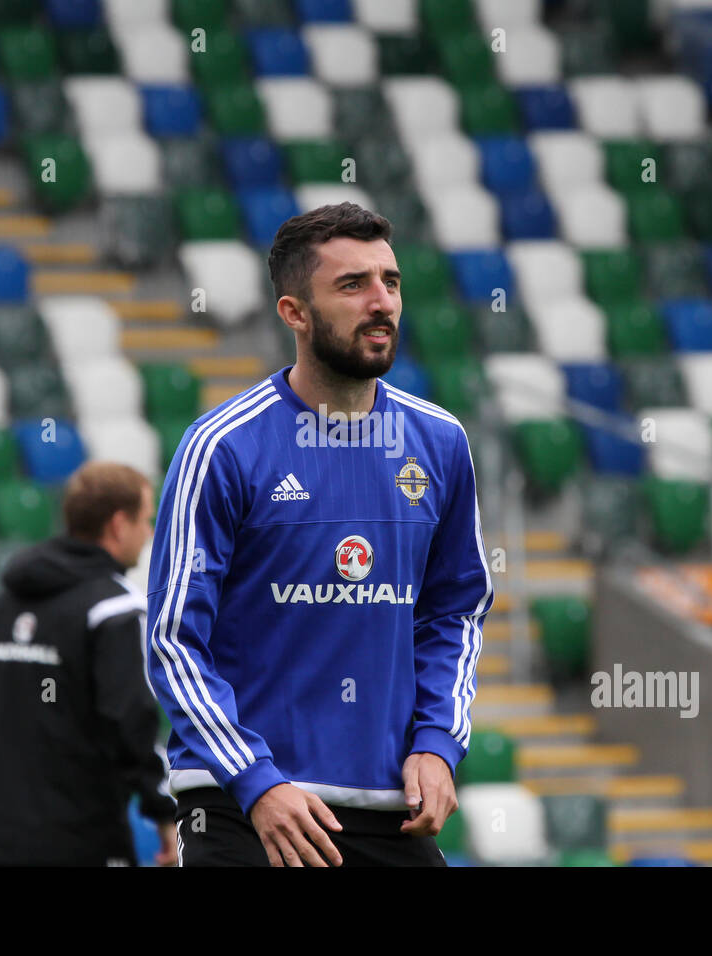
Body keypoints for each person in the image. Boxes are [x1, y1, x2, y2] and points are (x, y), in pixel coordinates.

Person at [146, 202, 492, 867]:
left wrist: (438, 744)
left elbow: (455, 612)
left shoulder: (441, 443)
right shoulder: (222, 447)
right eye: (352, 284)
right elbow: (172, 639)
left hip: (391, 813)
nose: (382, 301)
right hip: (246, 808)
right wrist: (255, 780)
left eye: (390, 281)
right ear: (294, 313)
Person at [0, 461, 177, 866]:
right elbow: (130, 721)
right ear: (119, 525)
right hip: (77, 839)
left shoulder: (8, 598)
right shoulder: (112, 607)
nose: (149, 533)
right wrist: (164, 811)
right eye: (146, 520)